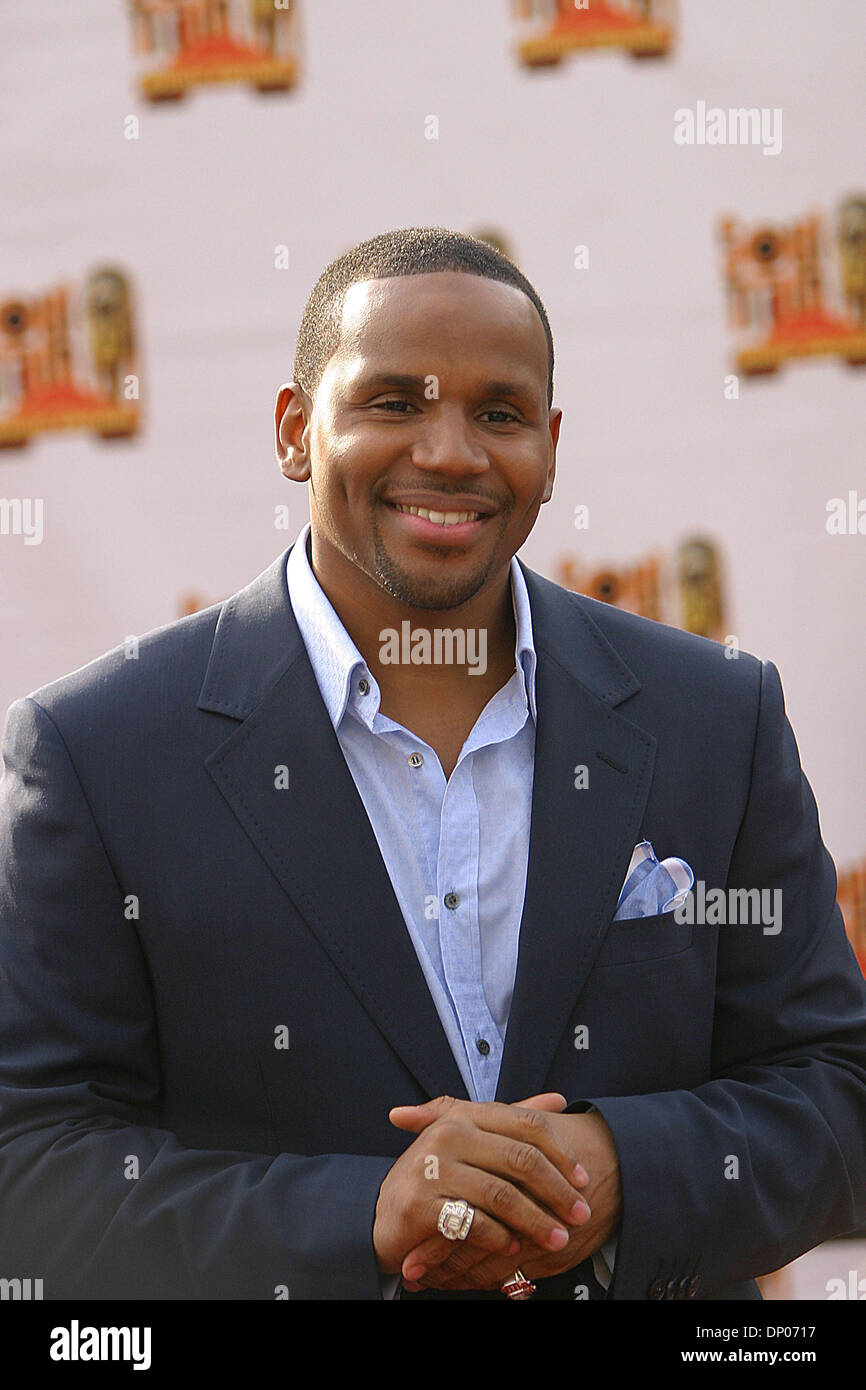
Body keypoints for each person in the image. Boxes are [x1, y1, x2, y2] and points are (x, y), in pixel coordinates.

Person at [1, 227, 864, 1301]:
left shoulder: (714, 718)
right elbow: (30, 1174)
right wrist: (364, 1216)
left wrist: (620, 1166)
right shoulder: (97, 753)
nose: (450, 452)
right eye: (393, 403)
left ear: (549, 449)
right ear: (294, 431)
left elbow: (835, 1094)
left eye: (497, 413)